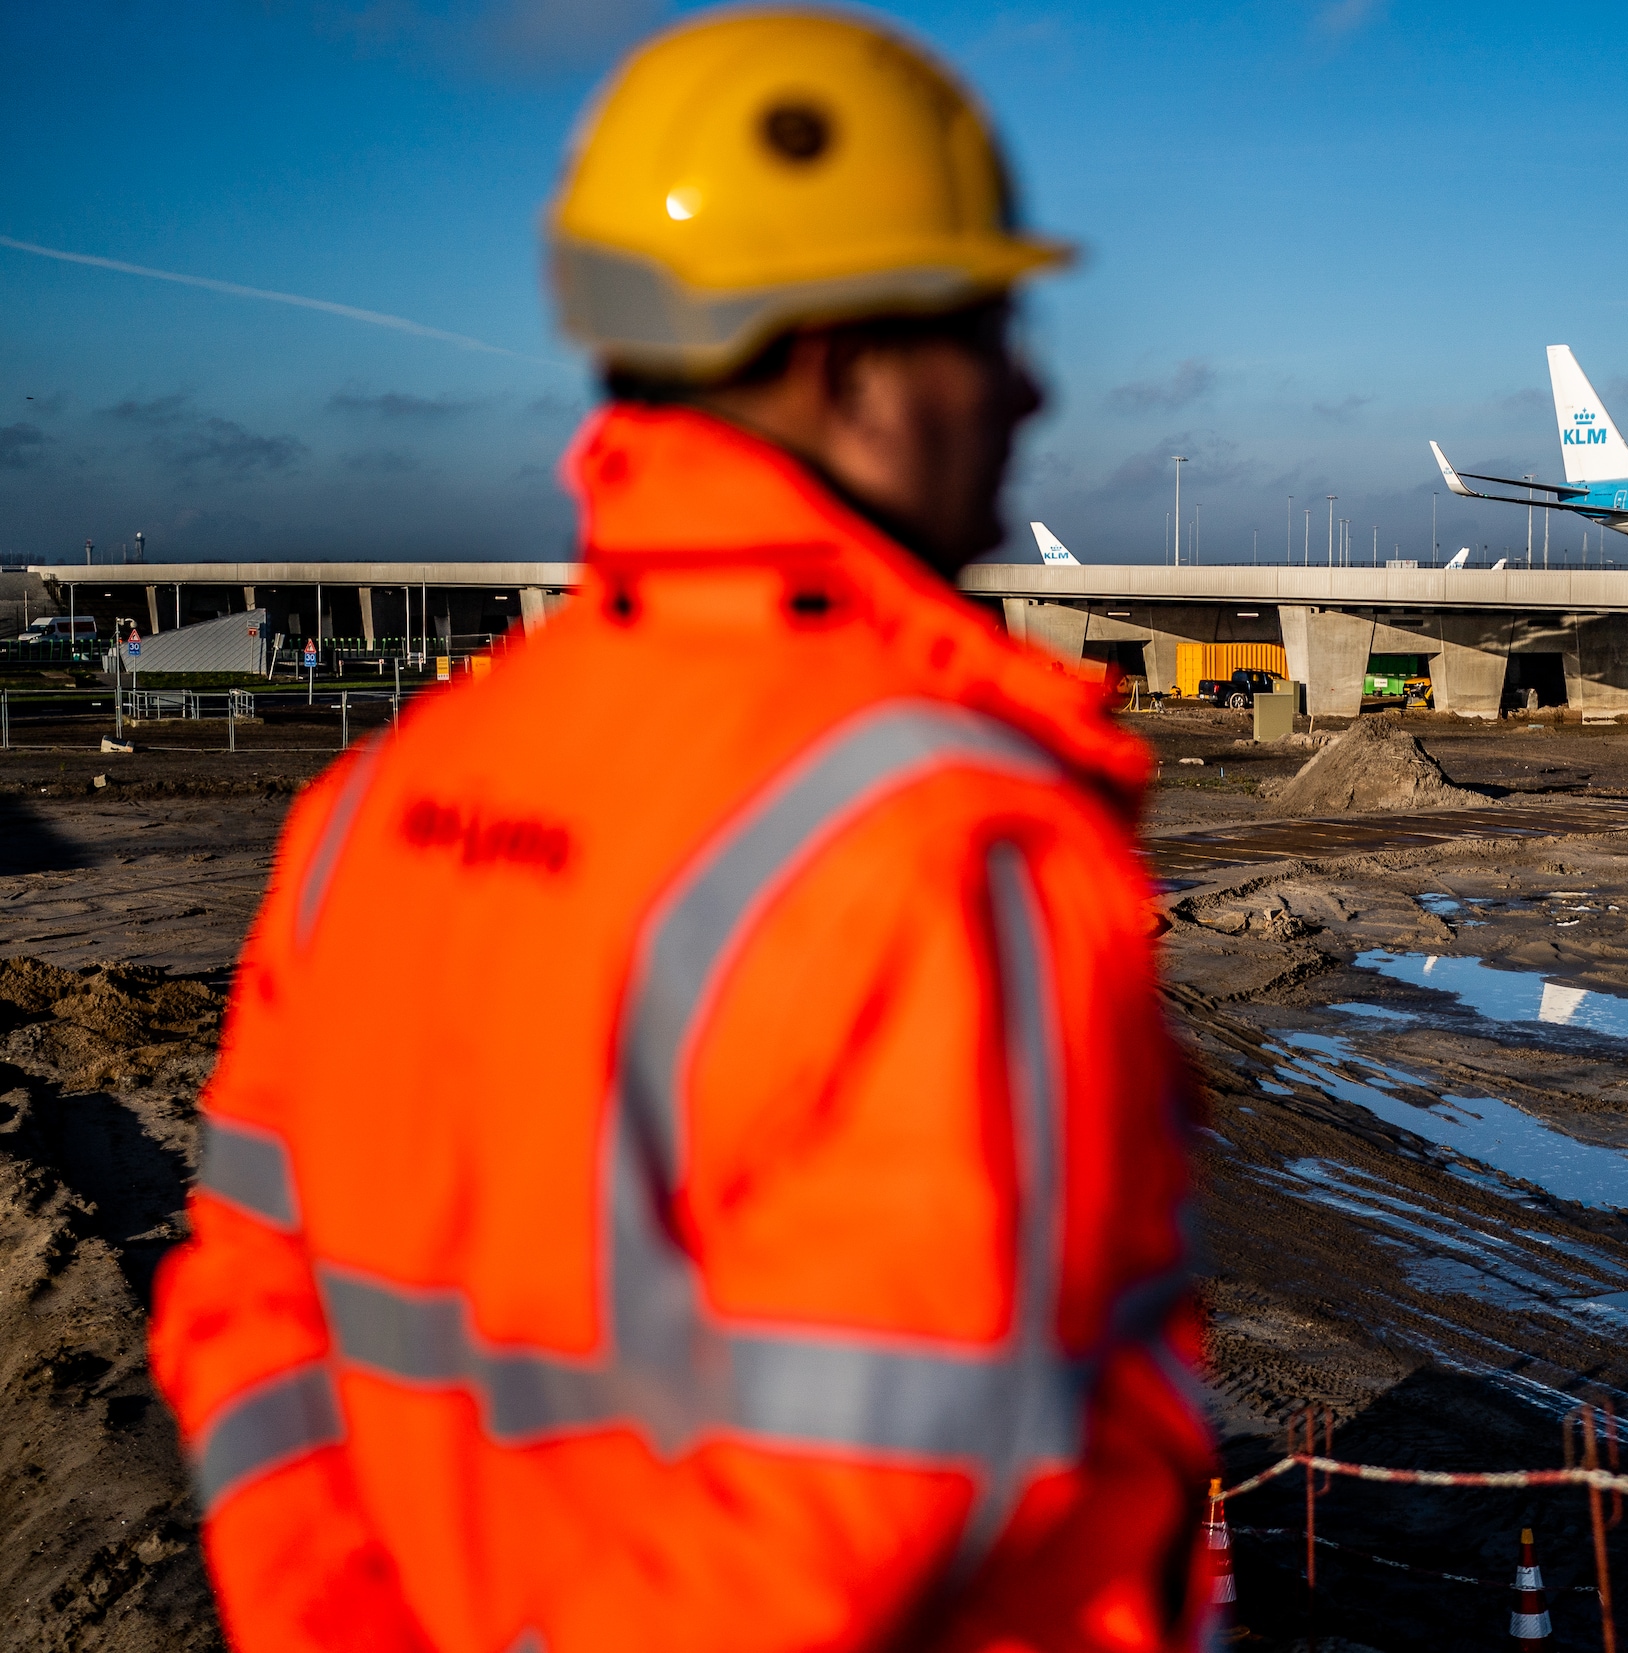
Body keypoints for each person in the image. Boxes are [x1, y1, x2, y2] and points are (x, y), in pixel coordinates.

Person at [148, 11, 1215, 1650]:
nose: (1030, 385)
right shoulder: (937, 838)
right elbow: (863, 1493)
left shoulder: (376, 805)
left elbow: (246, 1307)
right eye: (986, 325)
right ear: (842, 368)